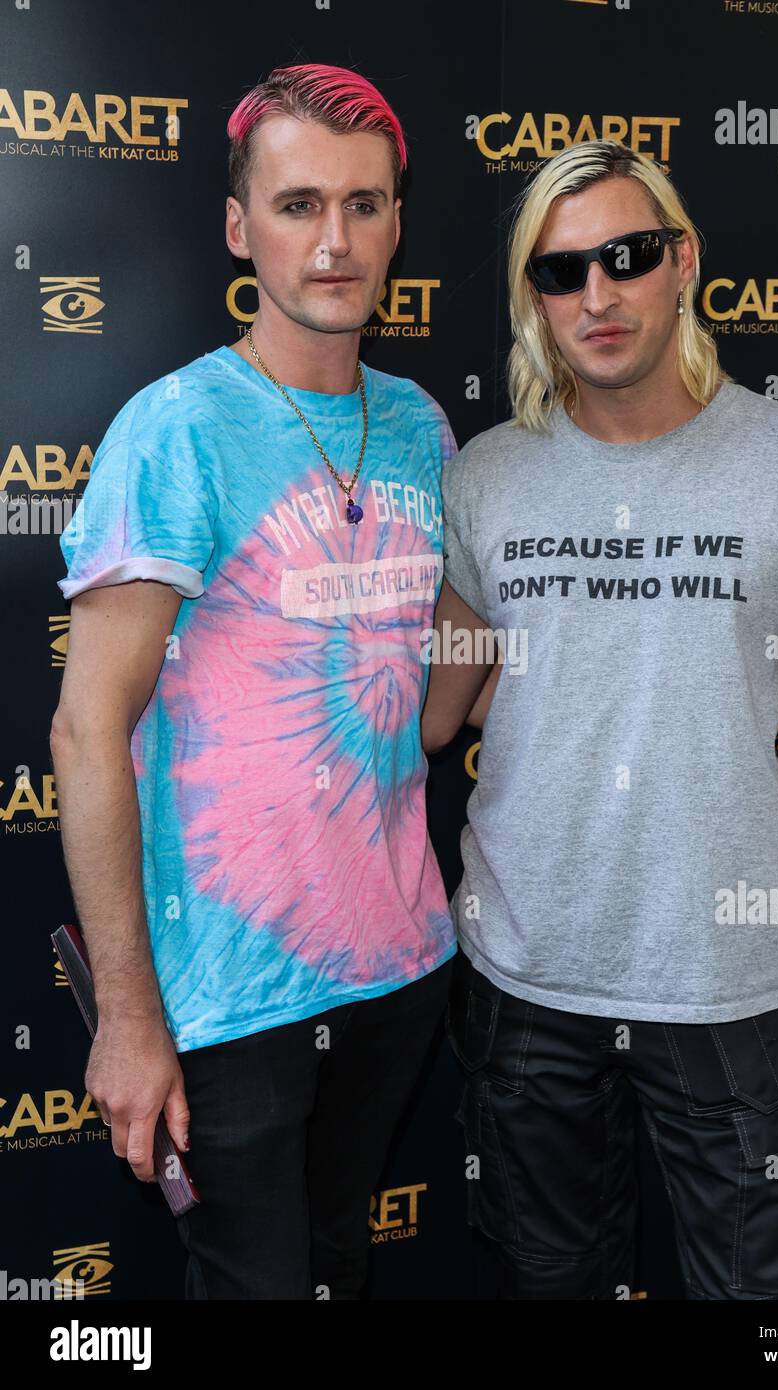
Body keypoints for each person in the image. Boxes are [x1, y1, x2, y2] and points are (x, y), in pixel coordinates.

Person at [422, 139, 778, 1300]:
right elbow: (435, 714)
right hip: (525, 981)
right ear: (533, 297)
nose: (596, 294)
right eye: (560, 270)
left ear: (682, 262)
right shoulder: (485, 476)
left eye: (627, 256)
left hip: (729, 991)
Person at [50, 62, 458, 1300]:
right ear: (241, 228)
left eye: (364, 205)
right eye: (296, 206)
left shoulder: (423, 428)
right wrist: (128, 1016)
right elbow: (84, 732)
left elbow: (433, 697)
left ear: (395, 222)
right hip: (229, 997)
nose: (333, 242)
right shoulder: (174, 429)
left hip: (398, 966)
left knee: (338, 1266)